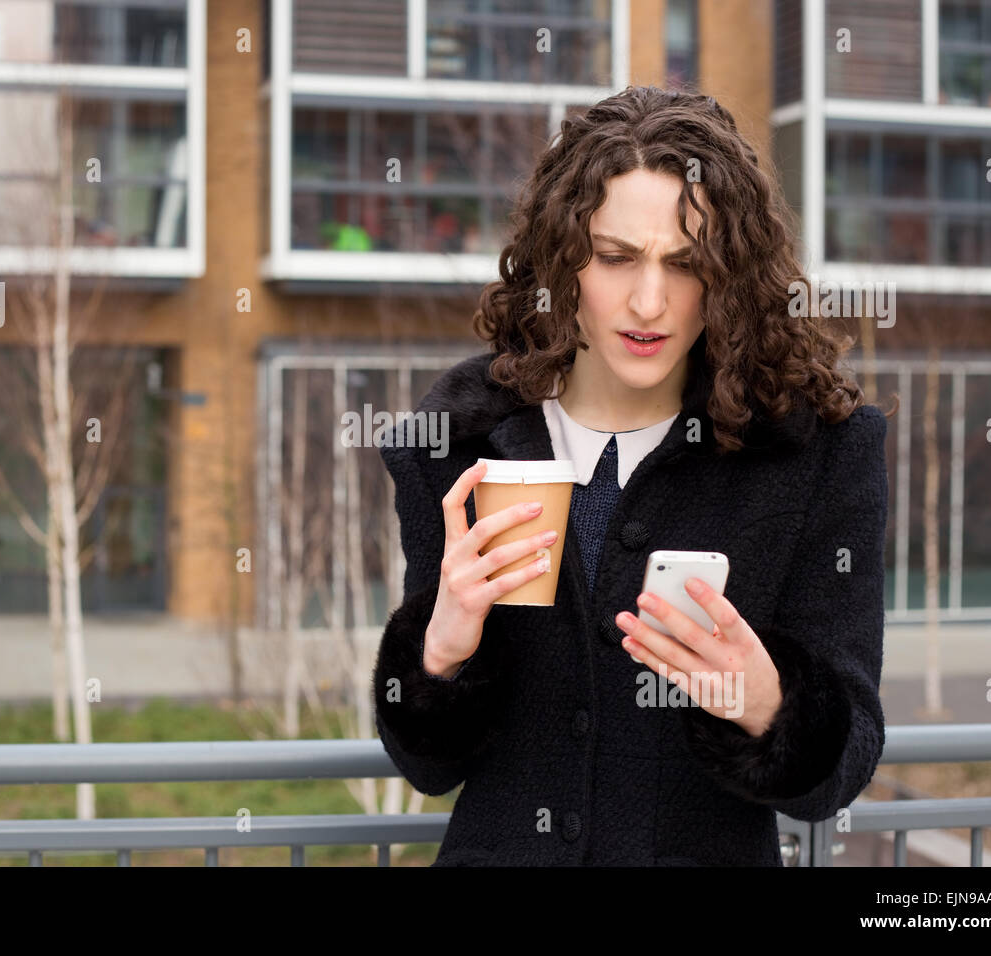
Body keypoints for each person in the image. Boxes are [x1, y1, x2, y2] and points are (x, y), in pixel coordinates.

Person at [371, 86, 888, 866]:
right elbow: (429, 769)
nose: (650, 302)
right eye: (615, 258)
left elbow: (837, 772)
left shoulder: (817, 455)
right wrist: (439, 654)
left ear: (729, 276)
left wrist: (768, 703)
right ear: (560, 262)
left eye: (686, 264)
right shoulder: (459, 447)